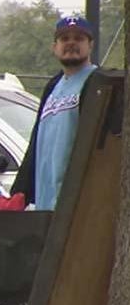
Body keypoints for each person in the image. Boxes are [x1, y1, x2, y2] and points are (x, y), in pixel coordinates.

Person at [11, 16, 98, 211]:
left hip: (78, 205)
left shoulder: (97, 83)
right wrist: (20, 194)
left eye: (78, 38)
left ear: (90, 45)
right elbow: (35, 144)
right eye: (65, 38)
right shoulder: (53, 86)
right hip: (45, 203)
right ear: (55, 47)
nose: (71, 43)